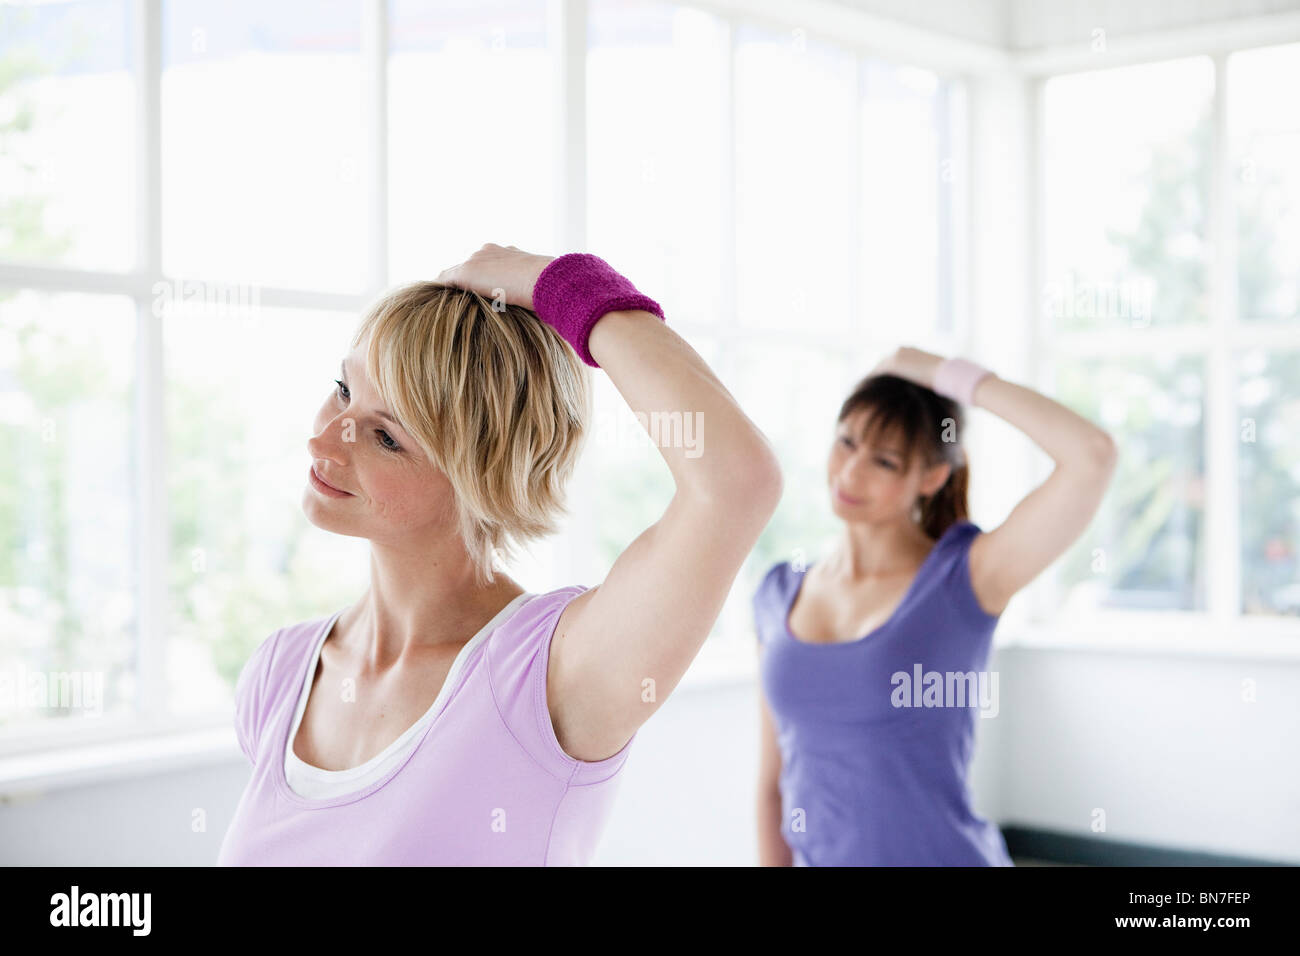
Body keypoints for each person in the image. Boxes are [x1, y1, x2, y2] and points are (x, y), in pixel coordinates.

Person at [217, 244, 782, 865]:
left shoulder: (547, 678)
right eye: (342, 389)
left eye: (385, 436)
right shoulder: (280, 675)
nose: (324, 436)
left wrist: (562, 284)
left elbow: (735, 482)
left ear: (480, 477)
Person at [753, 346, 1117, 866]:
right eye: (847, 442)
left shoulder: (965, 577)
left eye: (884, 460)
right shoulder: (776, 593)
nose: (851, 472)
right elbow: (773, 786)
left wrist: (942, 373)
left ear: (932, 476)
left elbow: (1092, 455)